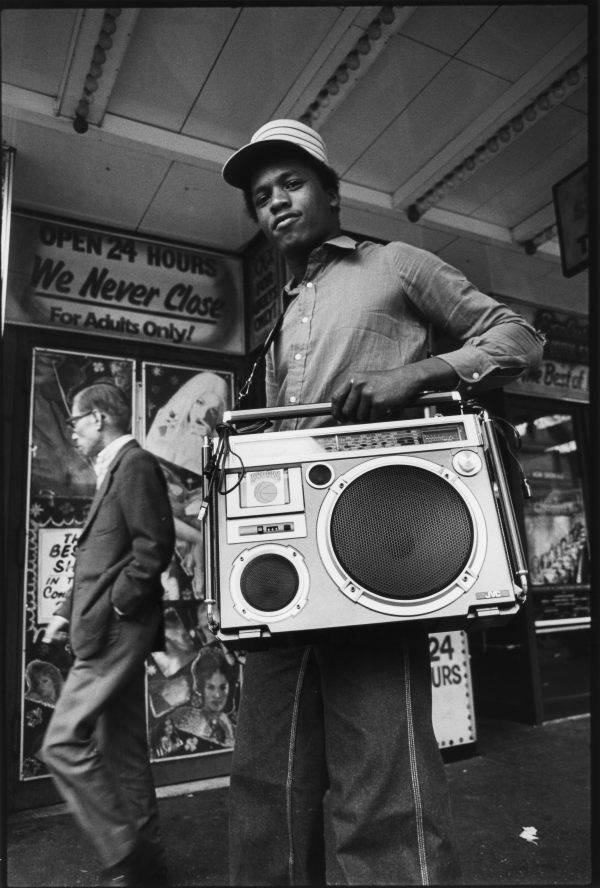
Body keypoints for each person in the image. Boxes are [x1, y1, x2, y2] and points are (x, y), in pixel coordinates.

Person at [221, 119, 545, 886]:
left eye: (292, 183)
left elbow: (519, 338)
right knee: (268, 779)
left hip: (376, 551)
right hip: (287, 574)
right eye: (262, 196)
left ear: (332, 192)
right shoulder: (284, 311)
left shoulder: (395, 264)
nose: (276, 203)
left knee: (381, 779)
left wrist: (418, 374)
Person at [40, 381, 175, 888]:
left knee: (61, 742)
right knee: (122, 748)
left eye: (74, 421)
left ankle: (125, 853)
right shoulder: (116, 468)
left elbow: (152, 548)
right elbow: (101, 557)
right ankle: (150, 864)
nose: (71, 432)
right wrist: (64, 609)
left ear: (98, 418)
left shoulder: (135, 465)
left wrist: (117, 606)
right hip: (108, 624)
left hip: (115, 630)